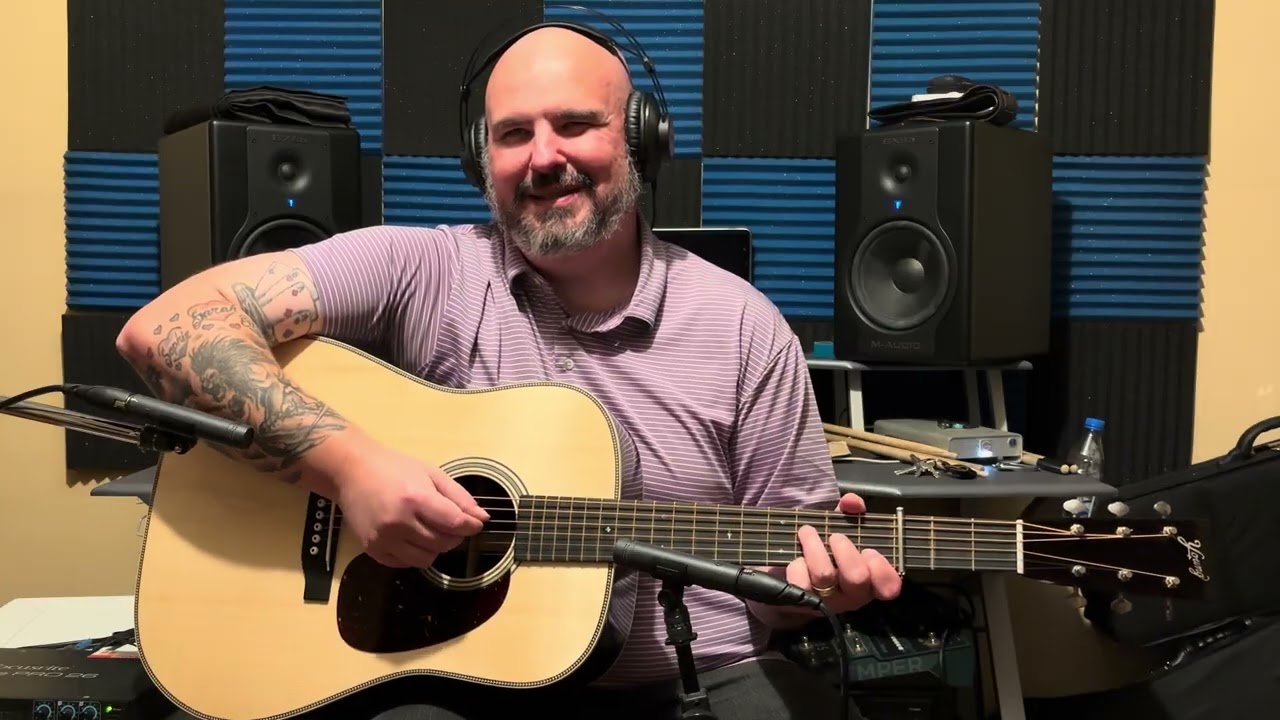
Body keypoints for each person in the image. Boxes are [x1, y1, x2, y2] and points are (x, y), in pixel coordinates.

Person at [117, 23, 902, 720]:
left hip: (697, 682)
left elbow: (791, 586)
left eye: (574, 125)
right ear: (478, 157)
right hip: (456, 680)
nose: (544, 157)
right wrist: (350, 469)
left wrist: (823, 590)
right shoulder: (418, 269)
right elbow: (164, 331)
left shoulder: (743, 327)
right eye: (513, 133)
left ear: (641, 138)